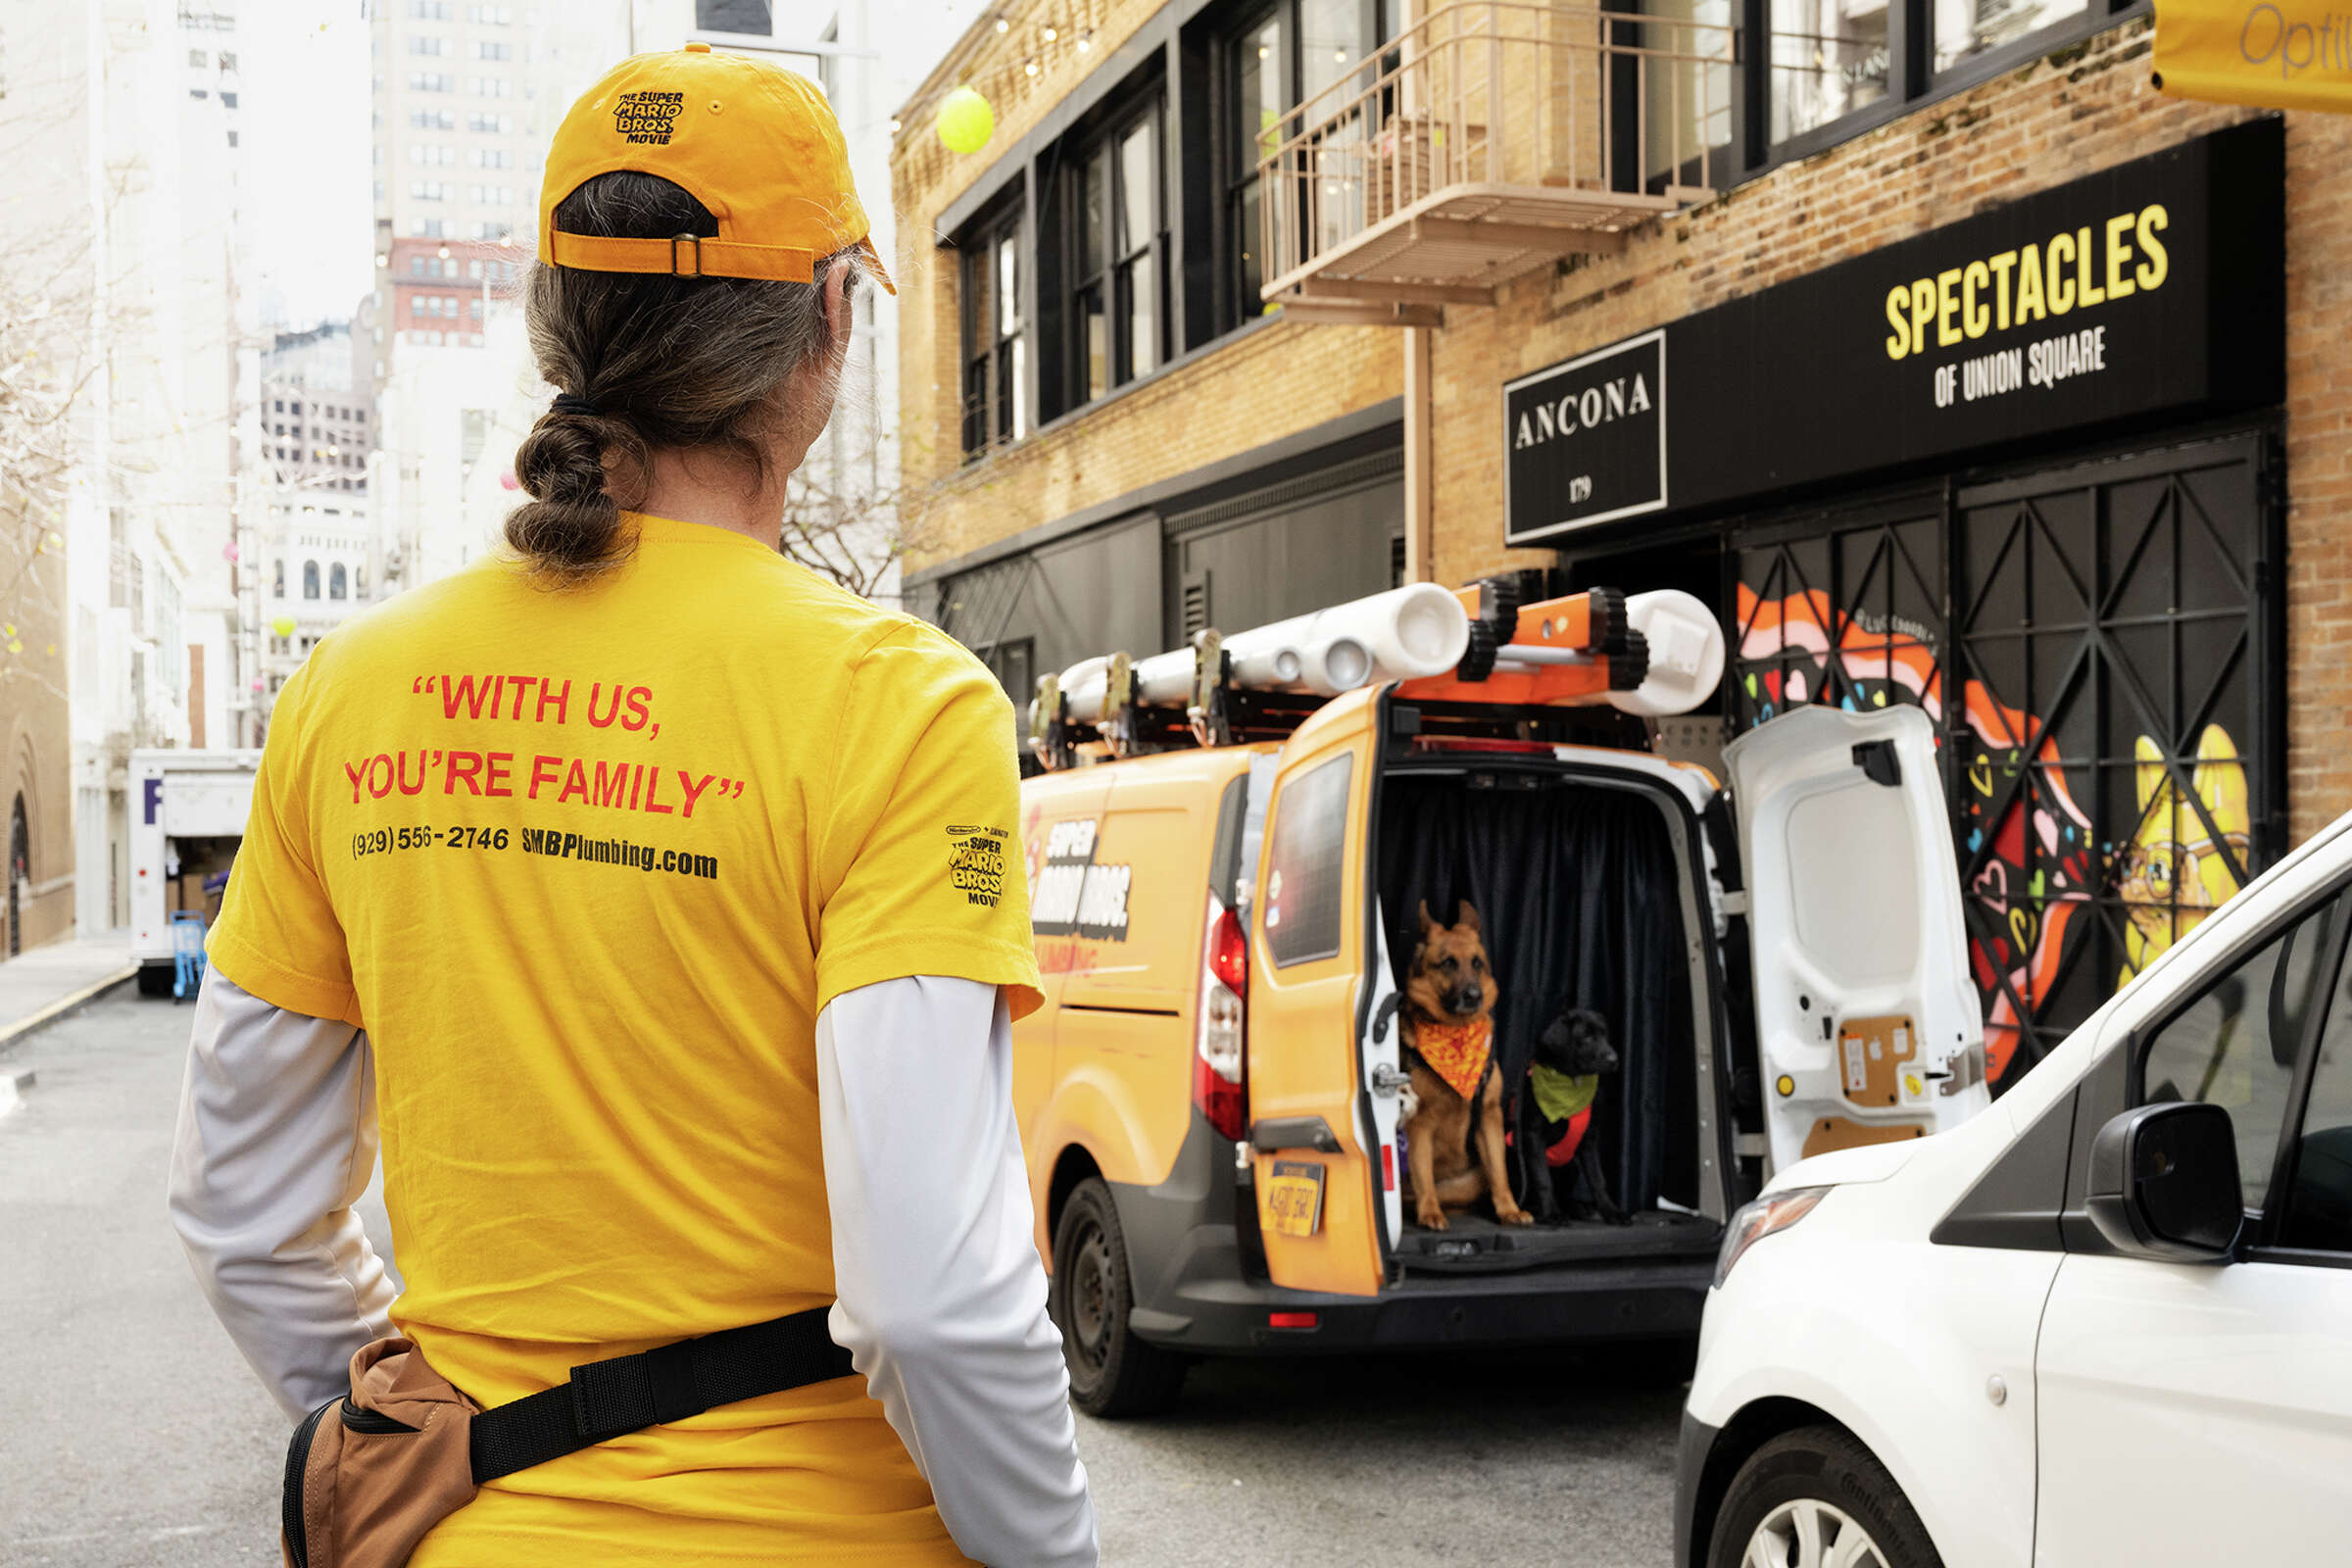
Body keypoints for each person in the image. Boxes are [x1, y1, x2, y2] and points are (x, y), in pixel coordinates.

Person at [168, 43, 1096, 1566]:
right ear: (830, 325)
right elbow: (932, 1297)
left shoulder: (353, 691)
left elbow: (244, 1217)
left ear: (557, 328)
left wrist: (444, 1440)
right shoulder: (899, 704)